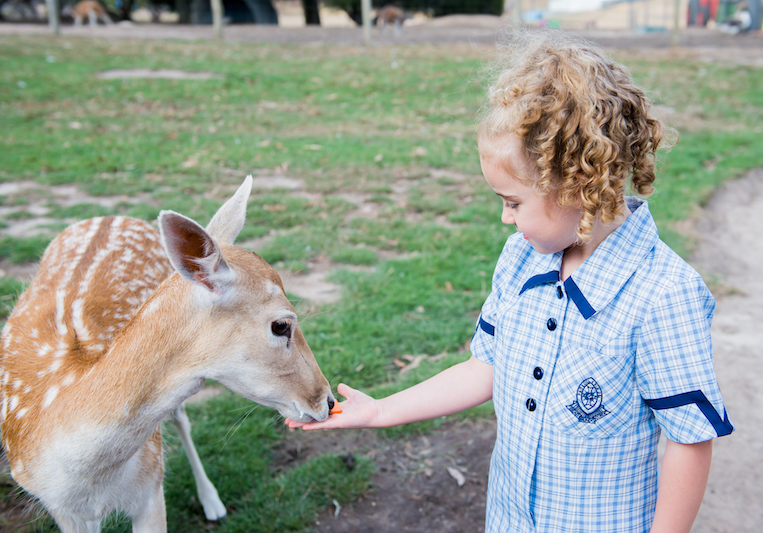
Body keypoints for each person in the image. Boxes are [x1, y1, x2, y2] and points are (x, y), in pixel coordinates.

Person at [286, 30, 733, 533]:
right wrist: (379, 411)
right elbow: (487, 368)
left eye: (513, 201)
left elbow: (690, 438)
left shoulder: (664, 294)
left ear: (577, 183)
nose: (504, 219)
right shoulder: (522, 258)